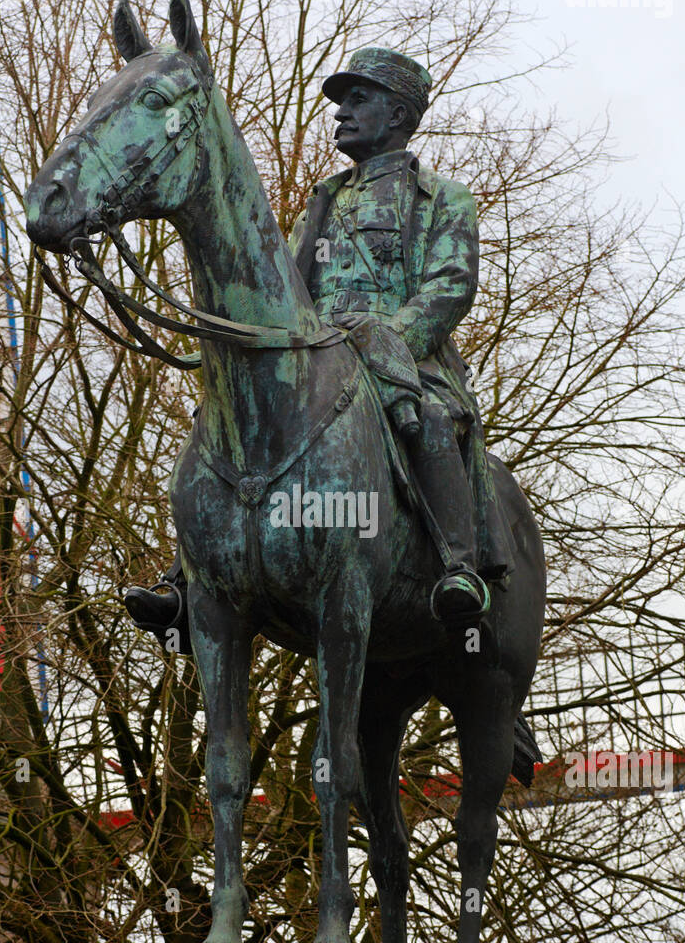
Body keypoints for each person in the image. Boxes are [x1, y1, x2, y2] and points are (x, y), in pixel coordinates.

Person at [124, 46, 513, 645]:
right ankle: (186, 576)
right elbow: (290, 287)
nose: (342, 113)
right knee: (224, 420)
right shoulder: (324, 199)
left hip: (403, 353)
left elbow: (451, 287)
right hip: (315, 353)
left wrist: (392, 339)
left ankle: (457, 569)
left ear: (400, 113)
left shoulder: (442, 198)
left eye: (360, 100)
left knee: (433, 420)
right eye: (341, 102)